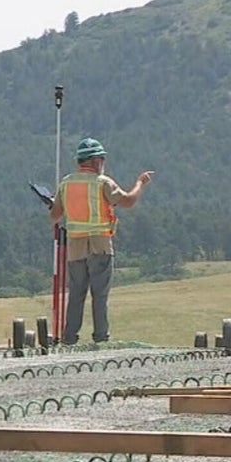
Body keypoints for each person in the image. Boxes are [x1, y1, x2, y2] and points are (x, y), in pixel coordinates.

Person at [50, 137, 153, 345]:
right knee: (100, 295)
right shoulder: (103, 183)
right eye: (102, 159)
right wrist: (140, 183)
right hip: (100, 245)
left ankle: (69, 339)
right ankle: (101, 340)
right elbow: (128, 201)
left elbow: (55, 216)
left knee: (76, 294)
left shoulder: (66, 183)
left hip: (75, 246)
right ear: (96, 161)